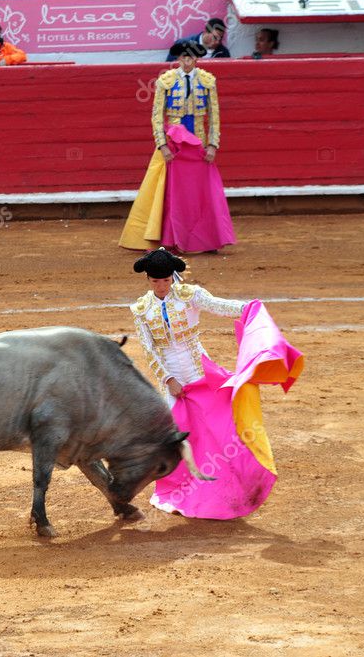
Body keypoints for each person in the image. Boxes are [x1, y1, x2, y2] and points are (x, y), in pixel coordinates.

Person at [129, 248, 303, 520]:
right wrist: (169, 379)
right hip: (172, 374)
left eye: (165, 280)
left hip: (200, 370)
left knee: (219, 424)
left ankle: (234, 479)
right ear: (148, 280)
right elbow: (149, 350)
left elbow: (219, 306)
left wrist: (247, 309)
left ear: (172, 278)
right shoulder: (141, 310)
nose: (161, 286)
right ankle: (185, 488)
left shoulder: (190, 295)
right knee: (178, 432)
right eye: (155, 281)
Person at [119, 41, 234, 254]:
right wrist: (162, 145)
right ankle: (166, 238)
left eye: (191, 57)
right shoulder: (166, 81)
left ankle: (205, 240)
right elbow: (157, 116)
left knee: (197, 193)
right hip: (173, 144)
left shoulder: (208, 81)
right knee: (169, 193)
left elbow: (214, 116)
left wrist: (212, 144)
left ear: (197, 58)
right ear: (178, 59)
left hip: (197, 143)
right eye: (183, 57)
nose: (187, 61)